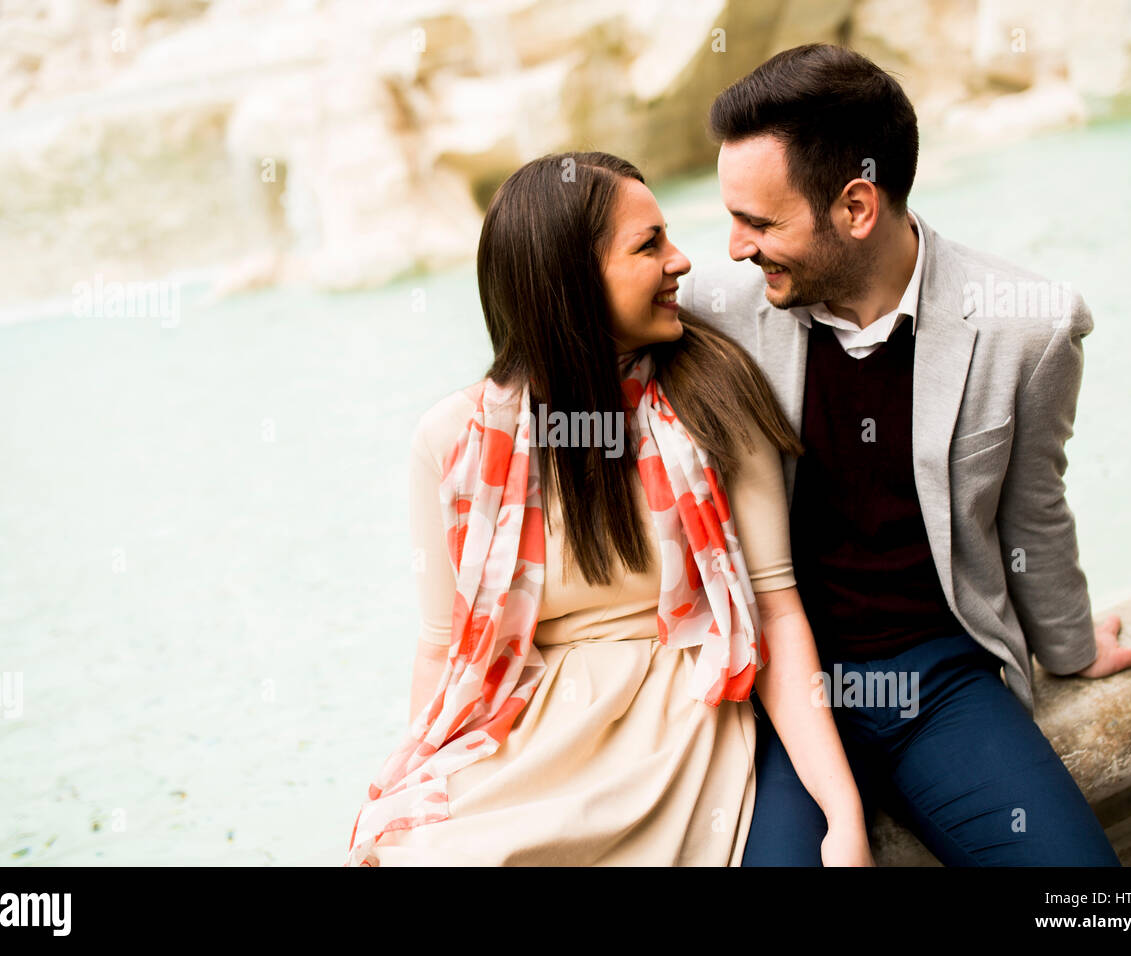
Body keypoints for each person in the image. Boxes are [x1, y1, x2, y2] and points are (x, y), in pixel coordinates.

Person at [678, 43, 1131, 866]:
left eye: (759, 221)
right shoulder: (708, 311)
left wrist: (1073, 644)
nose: (731, 247)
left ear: (857, 206)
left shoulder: (1028, 328)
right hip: (777, 695)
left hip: (944, 685)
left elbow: (1033, 506)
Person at [345, 151, 873, 867]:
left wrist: (842, 814)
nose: (681, 262)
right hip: (525, 732)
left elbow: (776, 614)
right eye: (649, 245)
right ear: (569, 284)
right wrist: (423, 779)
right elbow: (444, 648)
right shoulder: (454, 441)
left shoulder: (713, 400)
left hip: (680, 729)